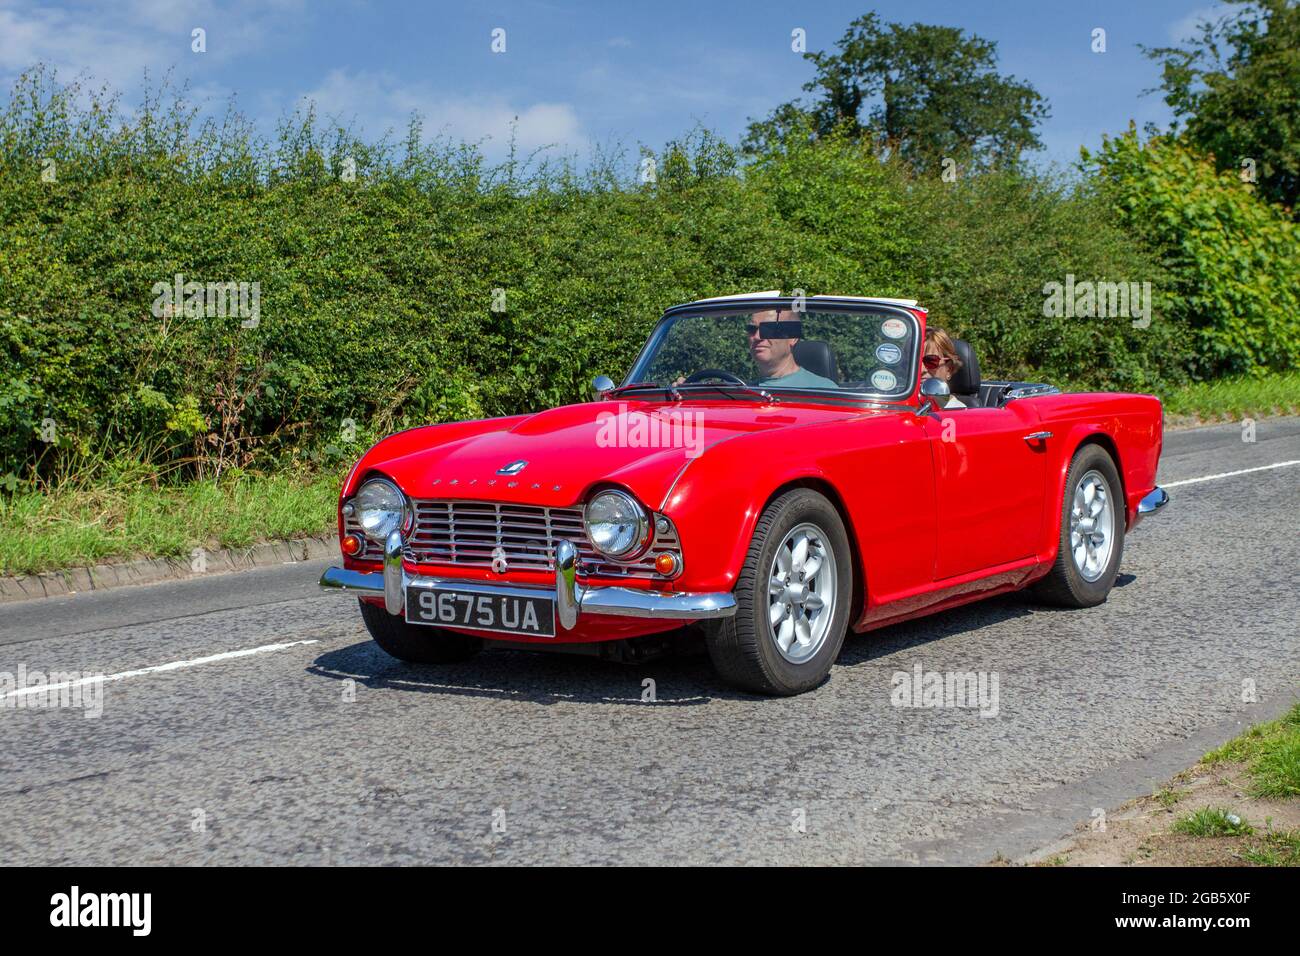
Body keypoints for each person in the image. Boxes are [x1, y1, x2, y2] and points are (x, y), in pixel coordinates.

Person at [746, 309, 838, 389]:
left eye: (768, 329)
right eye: (752, 329)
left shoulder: (825, 391)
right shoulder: (741, 394)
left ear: (792, 337)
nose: (757, 337)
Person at [921, 328, 966, 409]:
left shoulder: (958, 413)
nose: (921, 370)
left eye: (931, 361)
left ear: (949, 369)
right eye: (914, 364)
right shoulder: (895, 407)